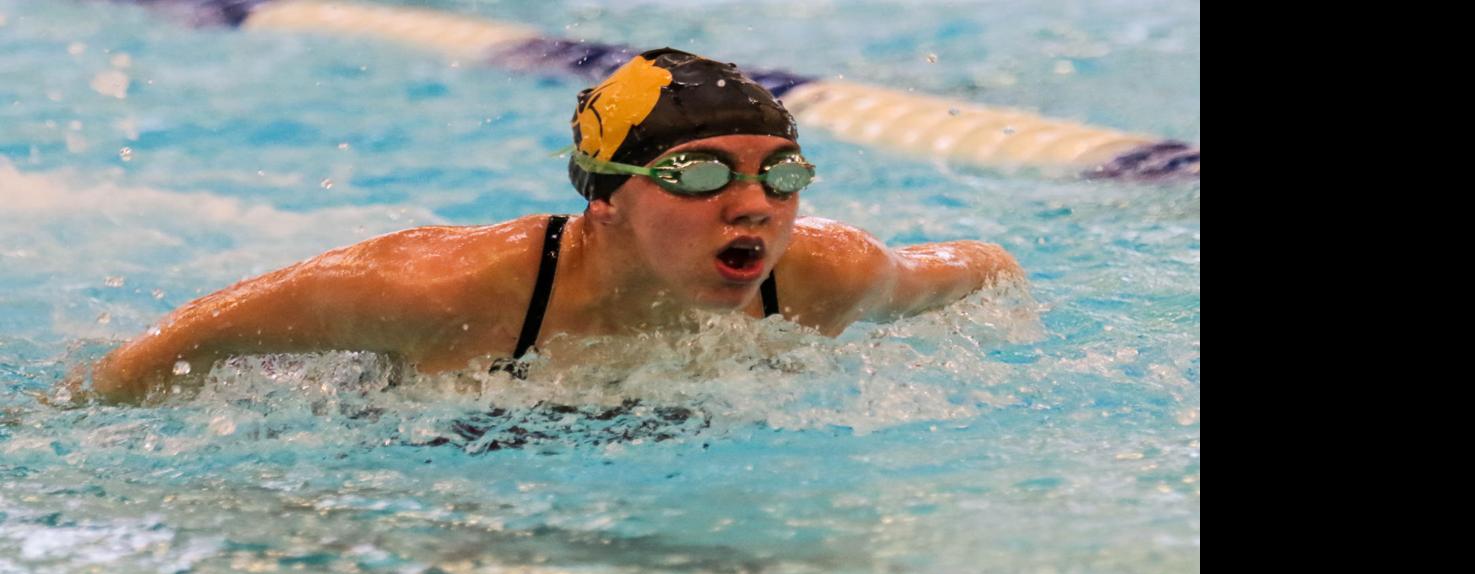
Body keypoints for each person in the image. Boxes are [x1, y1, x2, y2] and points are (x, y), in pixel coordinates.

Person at [82, 48, 1024, 404]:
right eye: (697, 173)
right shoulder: (435, 287)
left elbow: (982, 267)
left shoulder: (824, 276)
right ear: (604, 197)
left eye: (780, 175)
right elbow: (163, 352)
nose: (754, 206)